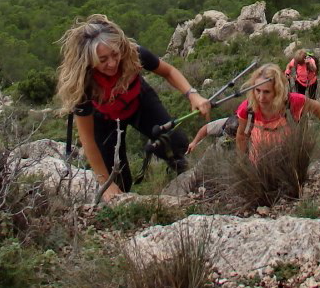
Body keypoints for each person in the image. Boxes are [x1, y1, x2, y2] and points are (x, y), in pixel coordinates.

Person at [57, 15, 210, 197]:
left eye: (115, 54)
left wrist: (193, 95)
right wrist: (105, 183)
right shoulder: (83, 84)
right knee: (118, 180)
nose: (112, 63)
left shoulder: (133, 54)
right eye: (103, 59)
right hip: (105, 121)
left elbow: (168, 71)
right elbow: (88, 140)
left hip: (139, 103)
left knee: (177, 147)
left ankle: (197, 189)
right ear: (89, 59)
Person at [236, 63, 320, 162]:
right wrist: (243, 163)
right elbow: (242, 135)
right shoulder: (248, 109)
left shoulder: (292, 103)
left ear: (277, 91)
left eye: (267, 92)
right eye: (257, 91)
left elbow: (316, 107)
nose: (261, 97)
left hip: (290, 163)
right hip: (260, 165)